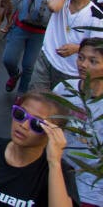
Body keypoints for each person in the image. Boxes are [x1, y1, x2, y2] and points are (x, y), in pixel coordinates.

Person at [0, 92, 77, 207]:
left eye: (37, 124)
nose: (24, 125)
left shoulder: (58, 172)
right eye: (20, 114)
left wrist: (54, 162)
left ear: (55, 133)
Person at [2, 0, 64, 96]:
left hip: (41, 32)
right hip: (21, 27)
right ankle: (14, 74)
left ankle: (22, 95)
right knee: (8, 59)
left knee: (29, 65)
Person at [53, 37, 103, 206]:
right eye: (81, 57)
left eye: (93, 61)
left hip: (91, 189)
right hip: (58, 175)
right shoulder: (64, 89)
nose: (83, 64)